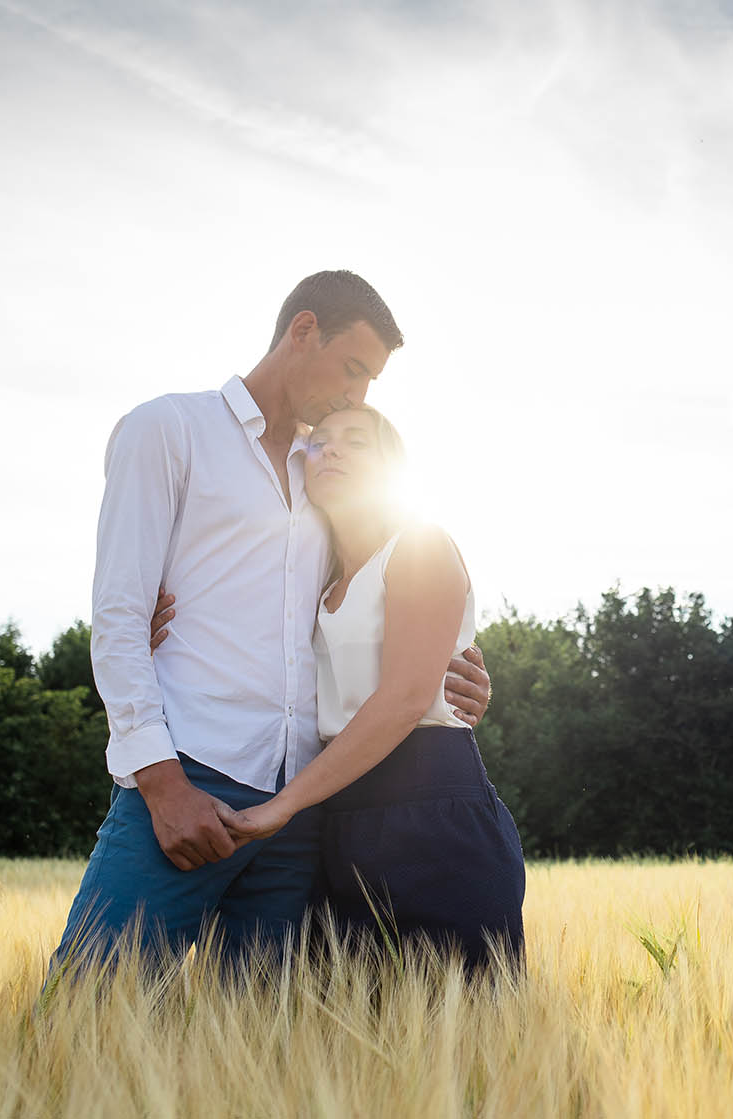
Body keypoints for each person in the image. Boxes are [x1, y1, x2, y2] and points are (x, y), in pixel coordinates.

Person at [47, 271, 491, 977]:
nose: (357, 396)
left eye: (370, 382)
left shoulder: (322, 471)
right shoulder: (170, 428)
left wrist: (452, 665)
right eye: (353, 368)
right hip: (189, 782)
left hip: (302, 811)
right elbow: (121, 617)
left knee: (264, 1049)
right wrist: (162, 786)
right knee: (91, 1008)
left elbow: (371, 605)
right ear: (302, 329)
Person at [194, 404, 526, 972]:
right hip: (340, 821)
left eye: (357, 441)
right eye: (319, 442)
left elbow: (403, 700)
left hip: (433, 812)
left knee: (466, 1032)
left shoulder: (420, 544)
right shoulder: (316, 579)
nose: (333, 450)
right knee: (352, 1032)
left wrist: (284, 806)